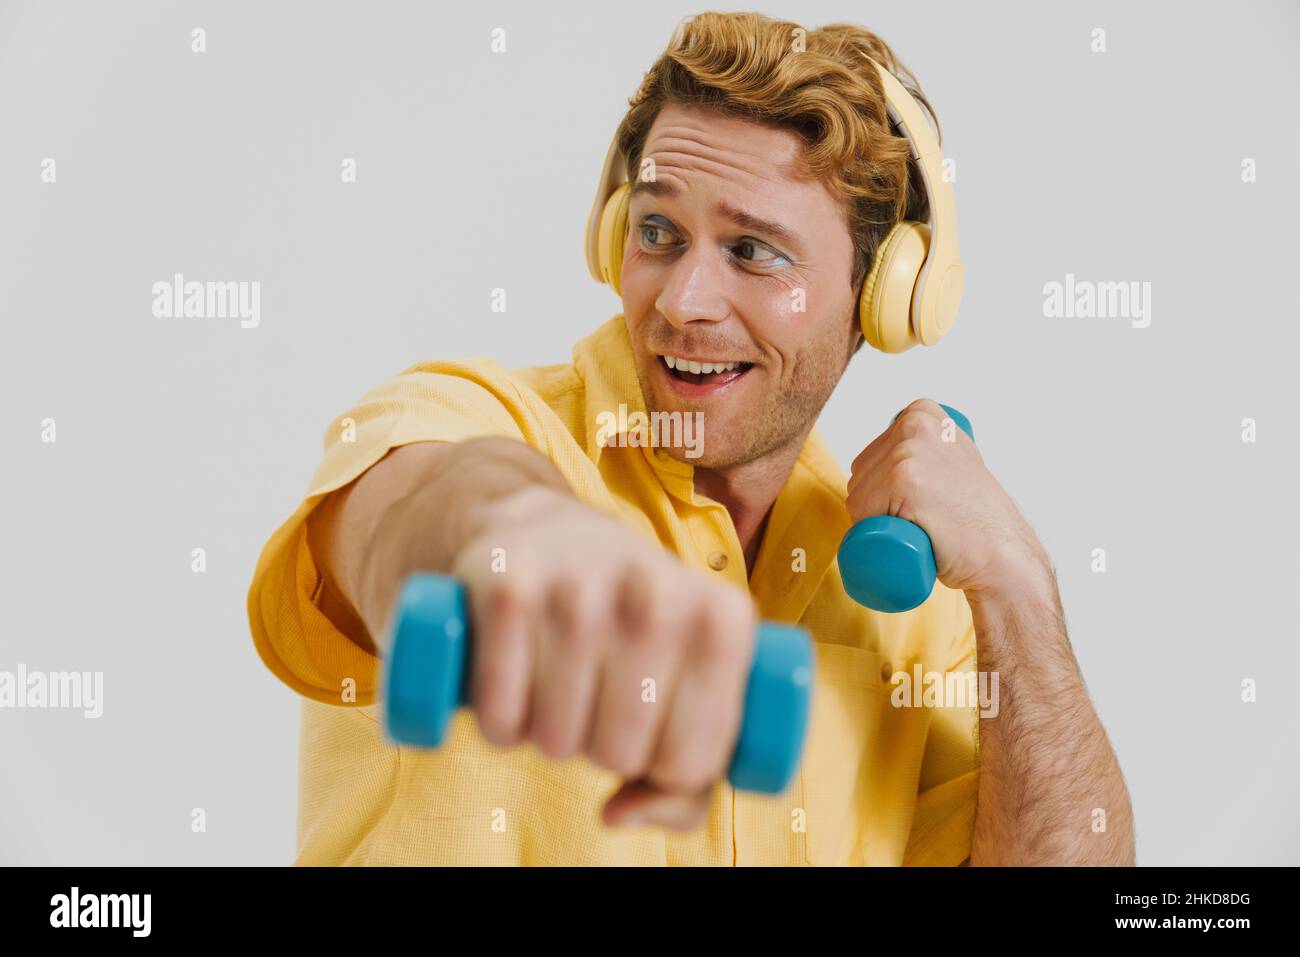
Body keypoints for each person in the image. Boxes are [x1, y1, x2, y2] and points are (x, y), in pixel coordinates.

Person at [247, 11, 1133, 866]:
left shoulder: (914, 609)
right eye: (659, 232)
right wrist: (505, 537)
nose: (682, 301)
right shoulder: (474, 419)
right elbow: (406, 509)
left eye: (754, 251)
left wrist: (1017, 587)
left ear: (881, 300)